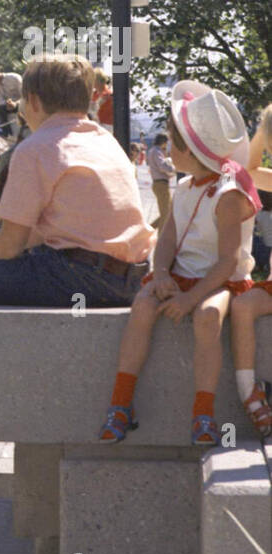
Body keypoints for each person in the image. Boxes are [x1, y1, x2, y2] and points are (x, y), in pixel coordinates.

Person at [100, 80, 256, 447]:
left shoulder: (228, 195)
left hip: (219, 282)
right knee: (142, 308)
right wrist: (164, 273)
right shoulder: (185, 187)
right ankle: (121, 403)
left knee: (207, 317)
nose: (167, 146)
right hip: (180, 275)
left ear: (189, 150)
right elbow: (167, 237)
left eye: (171, 140)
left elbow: (227, 261)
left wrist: (190, 298)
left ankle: (203, 412)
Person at [0, 55, 153, 311]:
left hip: (78, 276)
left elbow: (11, 244)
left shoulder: (35, 148)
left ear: (34, 102)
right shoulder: (106, 141)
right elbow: (43, 233)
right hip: (130, 278)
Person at [146, 132, 173, 227]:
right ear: (164, 142)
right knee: (166, 214)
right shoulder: (157, 152)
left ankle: (149, 229)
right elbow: (162, 166)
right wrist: (173, 169)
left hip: (158, 183)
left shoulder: (152, 151)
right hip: (161, 184)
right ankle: (159, 237)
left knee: (167, 212)